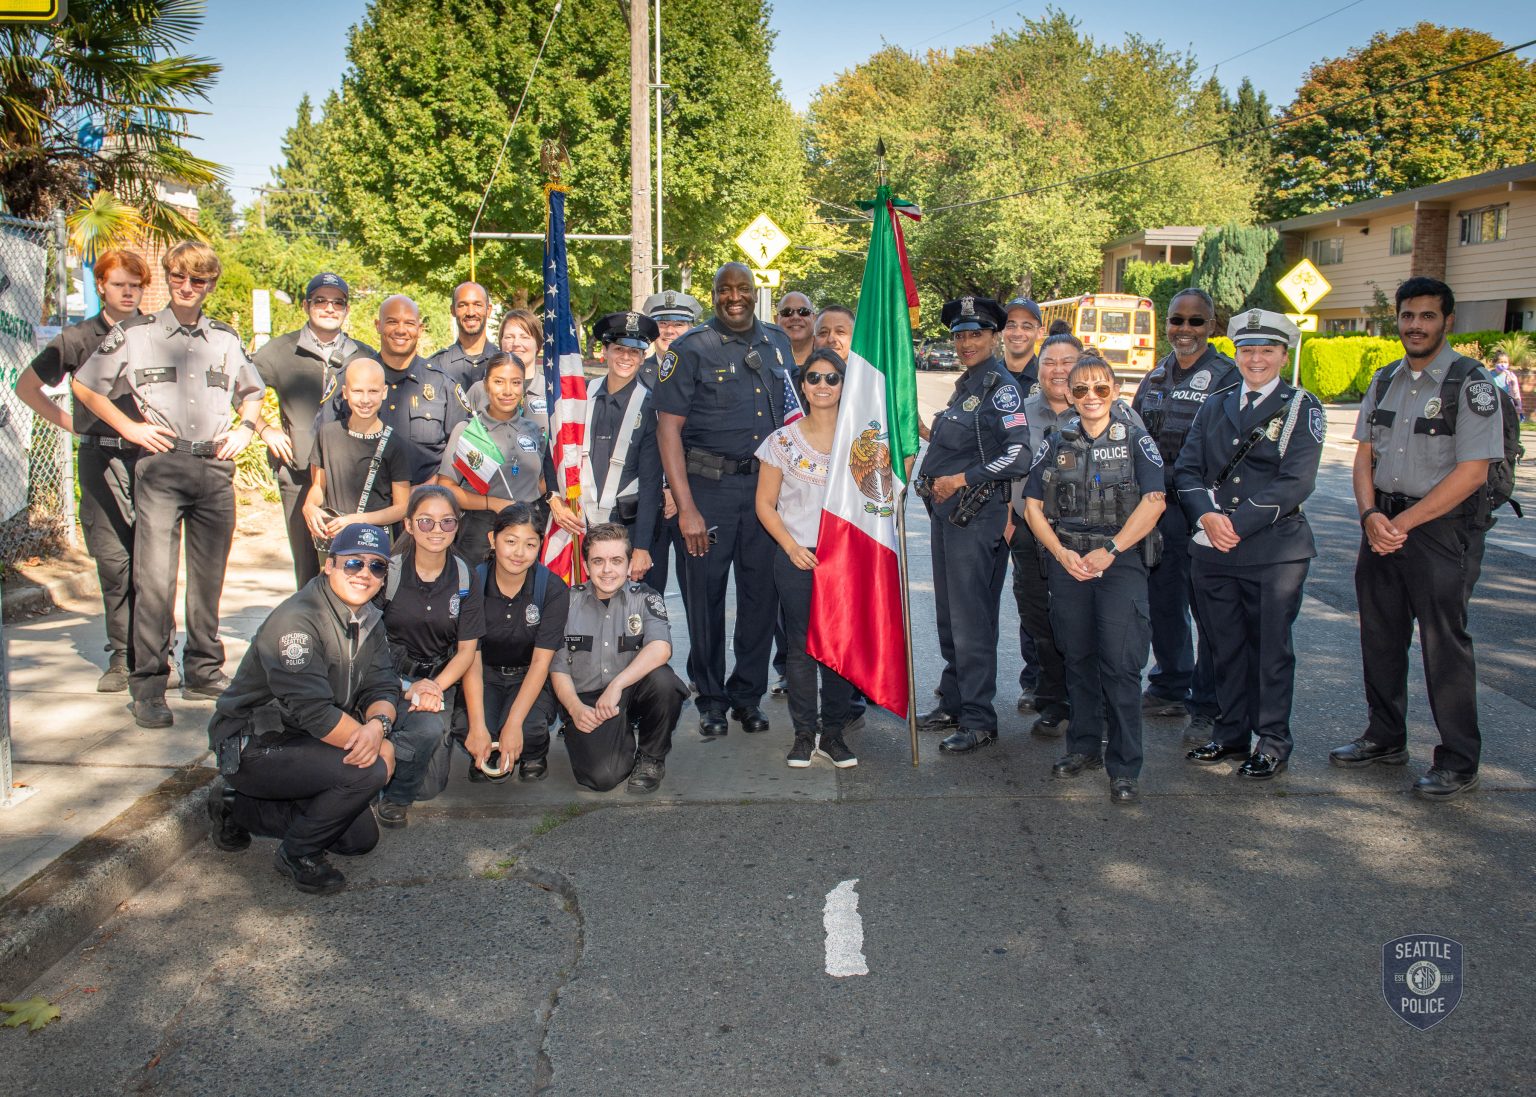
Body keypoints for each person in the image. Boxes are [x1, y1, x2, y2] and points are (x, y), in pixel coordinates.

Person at [72, 241, 269, 729]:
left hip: (214, 468)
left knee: (208, 582)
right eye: (179, 278)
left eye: (198, 281)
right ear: (168, 278)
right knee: (154, 581)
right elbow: (84, 384)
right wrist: (130, 428)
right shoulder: (135, 333)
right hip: (161, 465)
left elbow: (254, 389)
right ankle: (149, 684)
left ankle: (203, 670)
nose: (187, 288)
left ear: (210, 286)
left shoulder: (224, 337)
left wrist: (245, 429)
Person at [1329, 277, 1504, 799]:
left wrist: (1401, 525)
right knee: (1379, 636)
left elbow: (1473, 472)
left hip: (1440, 531)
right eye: (1408, 316)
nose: (1415, 326)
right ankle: (1385, 737)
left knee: (1443, 644)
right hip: (1381, 523)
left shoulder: (1470, 384)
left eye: (1427, 316)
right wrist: (1369, 518)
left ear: (1447, 322)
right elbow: (1364, 455)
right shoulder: (1385, 380)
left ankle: (1458, 759)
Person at [205, 523, 399, 895]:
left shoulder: (368, 618)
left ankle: (237, 808)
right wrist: (374, 745)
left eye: (376, 566)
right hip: (254, 742)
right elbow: (316, 714)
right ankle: (297, 854)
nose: (364, 574)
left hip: (305, 739)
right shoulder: (297, 622)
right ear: (329, 564)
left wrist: (379, 726)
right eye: (353, 563)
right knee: (367, 772)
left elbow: (383, 685)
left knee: (357, 841)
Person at [1175, 310, 1323, 781]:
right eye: (1247, 349)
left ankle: (1273, 740)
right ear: (1236, 353)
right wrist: (1207, 516)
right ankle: (1231, 732)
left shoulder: (1302, 406)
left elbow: (1295, 481)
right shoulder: (1215, 404)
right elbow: (1186, 469)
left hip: (1273, 551)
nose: (1256, 358)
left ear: (1283, 355)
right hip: (1213, 548)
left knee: (1269, 648)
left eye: (1266, 350)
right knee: (1222, 645)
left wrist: (1233, 523)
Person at [653, 262, 799, 736]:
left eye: (742, 289)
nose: (733, 297)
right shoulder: (691, 348)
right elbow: (668, 430)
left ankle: (746, 696)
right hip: (708, 491)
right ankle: (711, 700)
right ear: (712, 295)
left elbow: (796, 419)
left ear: (755, 293)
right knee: (704, 599)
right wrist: (687, 505)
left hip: (764, 492)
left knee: (761, 599)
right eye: (723, 290)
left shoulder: (777, 343)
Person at [1023, 355, 1165, 803]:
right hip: (1069, 559)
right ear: (1069, 393)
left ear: (1115, 391)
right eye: (1081, 389)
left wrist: (1112, 550)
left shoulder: (1136, 440)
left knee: (1121, 664)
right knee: (1077, 657)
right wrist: (1061, 553)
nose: (1090, 397)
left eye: (1100, 389)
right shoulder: (1055, 439)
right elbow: (1031, 506)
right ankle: (1083, 747)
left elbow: (1155, 500)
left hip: (1118, 559)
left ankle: (1124, 766)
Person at [15, 248, 147, 692]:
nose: (128, 292)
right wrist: (70, 423)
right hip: (100, 457)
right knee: (114, 563)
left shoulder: (156, 333)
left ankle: (155, 657)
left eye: (136, 285)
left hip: (152, 460)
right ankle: (122, 658)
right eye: (118, 284)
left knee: (153, 565)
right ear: (102, 287)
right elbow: (27, 387)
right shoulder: (75, 339)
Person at [914, 296, 1032, 754]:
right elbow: (967, 438)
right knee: (949, 617)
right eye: (960, 335)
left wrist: (963, 478)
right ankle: (956, 699)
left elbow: (1017, 452)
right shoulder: (968, 385)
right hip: (948, 517)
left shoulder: (1000, 386)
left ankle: (980, 718)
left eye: (976, 334)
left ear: (994, 336)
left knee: (970, 621)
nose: (966, 342)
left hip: (975, 515)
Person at [1131, 288, 1235, 743]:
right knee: (1164, 603)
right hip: (1158, 511)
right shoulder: (1154, 377)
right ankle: (1171, 683)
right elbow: (1134, 439)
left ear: (1212, 326)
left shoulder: (1228, 377)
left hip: (1205, 512)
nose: (1185, 330)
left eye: (1196, 322)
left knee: (1210, 610)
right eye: (1177, 321)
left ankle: (1209, 704)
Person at [756, 347, 858, 769]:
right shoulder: (781, 441)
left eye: (832, 378)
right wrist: (791, 547)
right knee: (800, 648)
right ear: (802, 385)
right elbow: (765, 504)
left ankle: (833, 733)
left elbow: (880, 496)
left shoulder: (863, 442)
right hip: (797, 556)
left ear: (844, 385)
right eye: (814, 378)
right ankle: (804, 734)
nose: (822, 386)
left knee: (837, 648)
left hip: (846, 559)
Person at [253, 272, 377, 588]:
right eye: (320, 300)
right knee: (307, 567)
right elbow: (238, 388)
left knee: (352, 563)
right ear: (307, 304)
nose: (329, 308)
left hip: (347, 476)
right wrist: (264, 429)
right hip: (298, 474)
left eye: (338, 302)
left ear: (347, 309)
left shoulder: (363, 355)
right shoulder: (280, 351)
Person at [375, 486, 488, 827]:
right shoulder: (387, 572)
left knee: (429, 787)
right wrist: (406, 688)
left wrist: (432, 688)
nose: (436, 530)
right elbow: (366, 642)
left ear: (458, 525)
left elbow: (467, 652)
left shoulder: (466, 576)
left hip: (440, 678)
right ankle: (392, 792)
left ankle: (394, 748)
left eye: (446, 522)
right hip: (386, 674)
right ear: (408, 524)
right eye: (425, 522)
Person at [550, 523, 688, 792]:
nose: (607, 570)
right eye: (598, 561)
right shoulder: (566, 603)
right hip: (587, 699)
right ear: (586, 566)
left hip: (630, 690)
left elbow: (661, 647)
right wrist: (575, 709)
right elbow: (557, 668)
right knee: (603, 778)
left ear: (628, 565)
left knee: (665, 683)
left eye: (616, 561)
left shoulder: (646, 597)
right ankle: (607, 736)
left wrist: (617, 685)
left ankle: (651, 757)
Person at [1004, 334, 1085, 736]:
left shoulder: (1108, 411)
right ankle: (1053, 700)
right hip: (1030, 536)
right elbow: (1003, 470)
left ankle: (1090, 705)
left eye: (1067, 362)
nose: (1058, 370)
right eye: (1050, 362)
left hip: (1087, 540)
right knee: (1040, 620)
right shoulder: (1018, 413)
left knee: (1087, 623)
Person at [549, 311, 662, 584]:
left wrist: (642, 547)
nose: (626, 358)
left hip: (626, 526)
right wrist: (554, 498)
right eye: (619, 349)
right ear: (604, 351)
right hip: (577, 519)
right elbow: (554, 448)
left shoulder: (651, 407)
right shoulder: (579, 396)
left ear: (644, 356)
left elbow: (650, 483)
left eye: (634, 352)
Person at [324, 294, 468, 484]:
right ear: (378, 325)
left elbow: (465, 449)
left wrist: (432, 488)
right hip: (363, 504)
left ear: (420, 329)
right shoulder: (349, 377)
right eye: (392, 322)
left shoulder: (443, 385)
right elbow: (323, 447)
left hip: (424, 503)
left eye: (409, 323)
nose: (401, 330)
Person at [472, 503, 569, 783]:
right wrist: (478, 726)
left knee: (526, 728)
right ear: (493, 539)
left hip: (530, 674)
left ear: (540, 545)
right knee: (470, 726)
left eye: (530, 544)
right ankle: (486, 748)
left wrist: (513, 725)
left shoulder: (552, 588)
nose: (519, 553)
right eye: (510, 541)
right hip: (485, 673)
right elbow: (471, 657)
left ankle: (533, 753)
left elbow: (541, 661)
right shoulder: (473, 582)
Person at [435, 353, 551, 553]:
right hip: (480, 532)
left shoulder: (533, 430)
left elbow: (542, 480)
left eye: (516, 382)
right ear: (486, 385)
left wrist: (525, 501)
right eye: (499, 382)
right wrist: (495, 503)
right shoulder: (468, 430)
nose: (508, 391)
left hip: (527, 528)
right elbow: (447, 488)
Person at [304, 358, 412, 564]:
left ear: (384, 392)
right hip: (333, 538)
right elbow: (319, 486)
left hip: (373, 540)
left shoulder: (395, 444)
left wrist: (355, 520)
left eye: (372, 391)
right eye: (357, 391)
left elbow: (402, 507)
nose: (365, 399)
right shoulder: (327, 434)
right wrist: (309, 506)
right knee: (331, 591)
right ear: (345, 392)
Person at [431, 282, 496, 389]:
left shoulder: (505, 360)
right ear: (453, 310)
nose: (470, 312)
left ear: (488, 310)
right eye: (463, 305)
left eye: (477, 305)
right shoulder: (436, 366)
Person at [498, 308, 547, 439]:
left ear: (538, 344)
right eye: (509, 337)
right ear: (501, 342)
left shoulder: (552, 392)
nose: (516, 343)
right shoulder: (480, 390)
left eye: (524, 337)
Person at [641, 289, 702, 390]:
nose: (669, 331)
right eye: (662, 323)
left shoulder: (704, 370)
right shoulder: (634, 373)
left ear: (690, 329)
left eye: (678, 324)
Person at [1001, 297, 1043, 395]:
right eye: (1011, 325)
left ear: (1040, 333)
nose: (1017, 333)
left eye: (1026, 327)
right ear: (1001, 330)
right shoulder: (985, 375)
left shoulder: (1048, 379)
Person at [777, 290, 816, 367]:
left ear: (814, 318)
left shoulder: (829, 355)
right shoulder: (764, 356)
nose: (795, 317)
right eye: (787, 312)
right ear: (776, 319)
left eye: (804, 311)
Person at [1487, 349, 1524, 421]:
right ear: (1495, 363)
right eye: (1500, 362)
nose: (1503, 364)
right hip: (1493, 404)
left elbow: (1516, 393)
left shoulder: (1510, 376)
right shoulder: (1489, 375)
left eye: (1505, 362)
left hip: (1507, 403)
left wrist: (1519, 407)